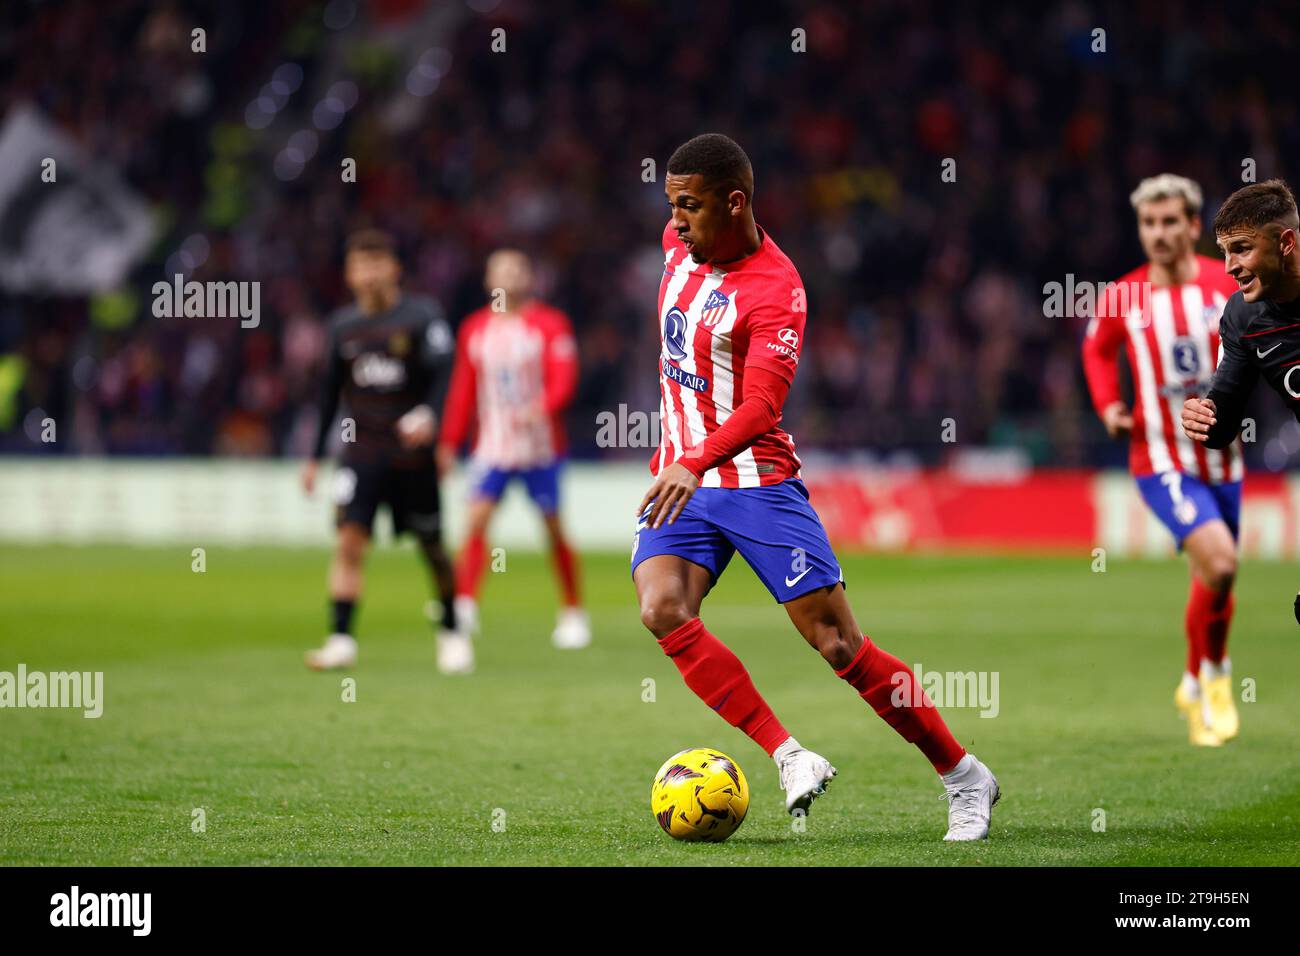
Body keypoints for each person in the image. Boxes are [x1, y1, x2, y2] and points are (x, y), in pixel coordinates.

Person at [632, 133, 998, 840]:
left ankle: (963, 776)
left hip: (754, 482)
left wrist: (695, 457)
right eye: (671, 206)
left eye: (690, 207)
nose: (675, 222)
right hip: (684, 484)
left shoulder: (778, 290)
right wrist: (684, 463)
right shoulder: (680, 246)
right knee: (663, 609)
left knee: (837, 646)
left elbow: (762, 408)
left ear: (734, 202)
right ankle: (789, 753)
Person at [1082, 174, 1243, 746]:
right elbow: (1096, 348)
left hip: (1224, 461)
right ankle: (1215, 679)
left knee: (1213, 578)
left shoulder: (1227, 284)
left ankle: (1192, 678)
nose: (1159, 233)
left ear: (1195, 226)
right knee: (1221, 565)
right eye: (1150, 223)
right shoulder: (1123, 296)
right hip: (1160, 459)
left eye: (1171, 221)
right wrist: (1108, 406)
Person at [301, 229, 457, 670]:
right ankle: (341, 638)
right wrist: (314, 457)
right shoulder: (342, 328)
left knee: (432, 546)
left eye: (376, 264)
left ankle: (450, 628)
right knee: (349, 542)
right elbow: (328, 394)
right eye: (359, 266)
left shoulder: (423, 316)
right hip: (361, 453)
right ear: (349, 275)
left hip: (413, 455)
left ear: (394, 268)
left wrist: (430, 415)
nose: (368, 274)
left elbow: (446, 375)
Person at [434, 249, 588, 674]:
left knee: (553, 526)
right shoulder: (474, 329)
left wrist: (542, 407)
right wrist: (448, 442)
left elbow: (564, 379)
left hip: (540, 448)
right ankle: (464, 606)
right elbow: (463, 391)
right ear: (488, 280)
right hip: (493, 448)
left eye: (516, 269)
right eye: (500, 270)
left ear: (528, 277)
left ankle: (573, 611)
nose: (508, 277)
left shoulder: (549, 325)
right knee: (477, 522)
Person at [1181, 179, 1300, 627]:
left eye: (1243, 249)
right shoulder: (1243, 317)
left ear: (1285, 242)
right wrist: (1204, 419)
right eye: (1225, 251)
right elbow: (1224, 417)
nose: (1229, 266)